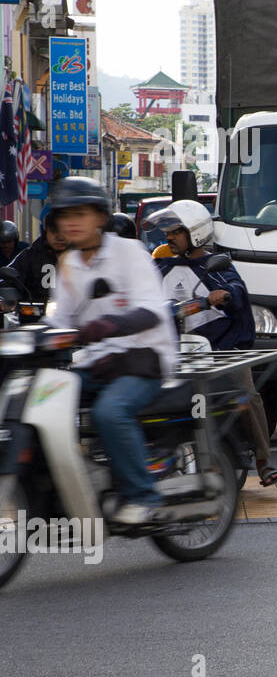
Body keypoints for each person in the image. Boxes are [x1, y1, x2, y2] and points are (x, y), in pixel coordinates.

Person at [42, 177, 179, 525]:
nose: (71, 222)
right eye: (64, 215)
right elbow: (58, 317)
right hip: (96, 363)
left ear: (101, 217)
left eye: (81, 213)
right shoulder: (69, 264)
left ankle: (144, 496)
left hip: (143, 357)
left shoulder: (129, 252)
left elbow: (152, 308)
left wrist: (110, 325)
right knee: (41, 406)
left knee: (110, 412)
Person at [148, 200, 277, 487]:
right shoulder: (160, 266)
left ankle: (264, 460)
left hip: (219, 352)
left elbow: (235, 289)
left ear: (195, 233)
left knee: (246, 394)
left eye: (175, 231)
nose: (168, 237)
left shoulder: (216, 265)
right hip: (175, 353)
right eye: (168, 232)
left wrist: (226, 295)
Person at [6, 209, 67, 304]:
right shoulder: (30, 255)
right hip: (34, 314)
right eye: (54, 231)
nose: (59, 237)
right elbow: (8, 279)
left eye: (64, 231)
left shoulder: (80, 256)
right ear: (45, 232)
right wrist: (8, 298)